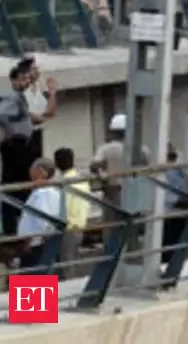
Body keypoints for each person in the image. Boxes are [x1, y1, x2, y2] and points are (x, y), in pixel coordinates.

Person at [90, 113, 149, 242]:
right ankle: (132, 252)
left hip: (112, 192)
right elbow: (150, 165)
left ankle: (112, 256)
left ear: (112, 132)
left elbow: (94, 166)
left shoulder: (105, 149)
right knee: (132, 227)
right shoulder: (140, 148)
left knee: (111, 229)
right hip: (134, 192)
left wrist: (102, 177)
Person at [0, 66, 35, 235]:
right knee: (16, 184)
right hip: (16, 144)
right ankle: (11, 229)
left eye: (27, 79)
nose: (26, 82)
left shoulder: (22, 98)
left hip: (20, 144)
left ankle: (15, 226)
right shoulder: (14, 98)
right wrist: (11, 131)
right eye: (22, 79)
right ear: (14, 81)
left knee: (21, 186)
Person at [16, 157, 62, 272]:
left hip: (35, 245)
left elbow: (41, 222)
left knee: (30, 284)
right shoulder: (56, 192)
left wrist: (29, 241)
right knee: (43, 281)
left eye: (33, 169)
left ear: (42, 172)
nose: (30, 172)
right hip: (47, 242)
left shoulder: (40, 194)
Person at [53, 147, 89, 279]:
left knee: (65, 266)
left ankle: (67, 297)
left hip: (66, 228)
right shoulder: (81, 180)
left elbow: (63, 208)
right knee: (70, 263)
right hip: (79, 226)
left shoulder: (63, 183)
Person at [17, 56, 58, 162]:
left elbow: (50, 113)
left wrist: (52, 93)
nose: (37, 72)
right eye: (34, 69)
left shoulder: (38, 89)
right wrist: (39, 118)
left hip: (37, 134)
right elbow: (29, 117)